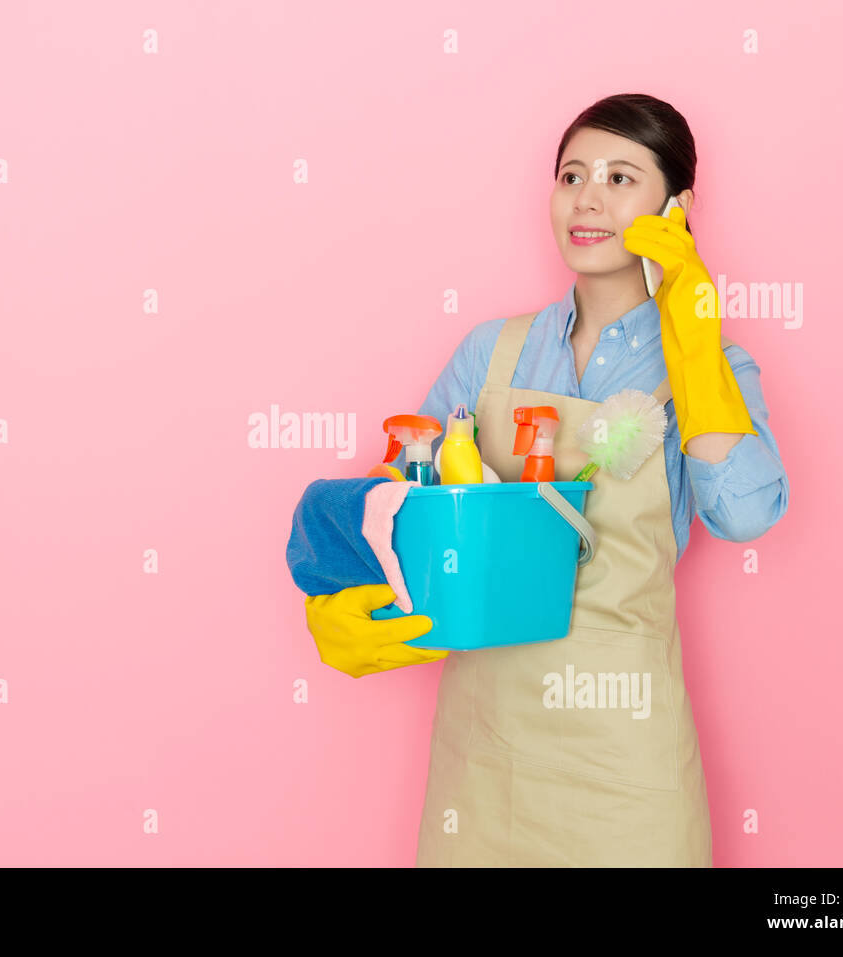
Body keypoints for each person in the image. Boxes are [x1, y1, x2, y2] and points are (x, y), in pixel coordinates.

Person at [285, 93, 789, 866]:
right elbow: (406, 503)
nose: (587, 197)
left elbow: (746, 514)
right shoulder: (490, 352)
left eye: (622, 178)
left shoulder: (714, 369)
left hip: (627, 755)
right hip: (488, 743)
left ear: (676, 209)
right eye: (571, 175)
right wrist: (352, 576)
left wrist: (692, 340)